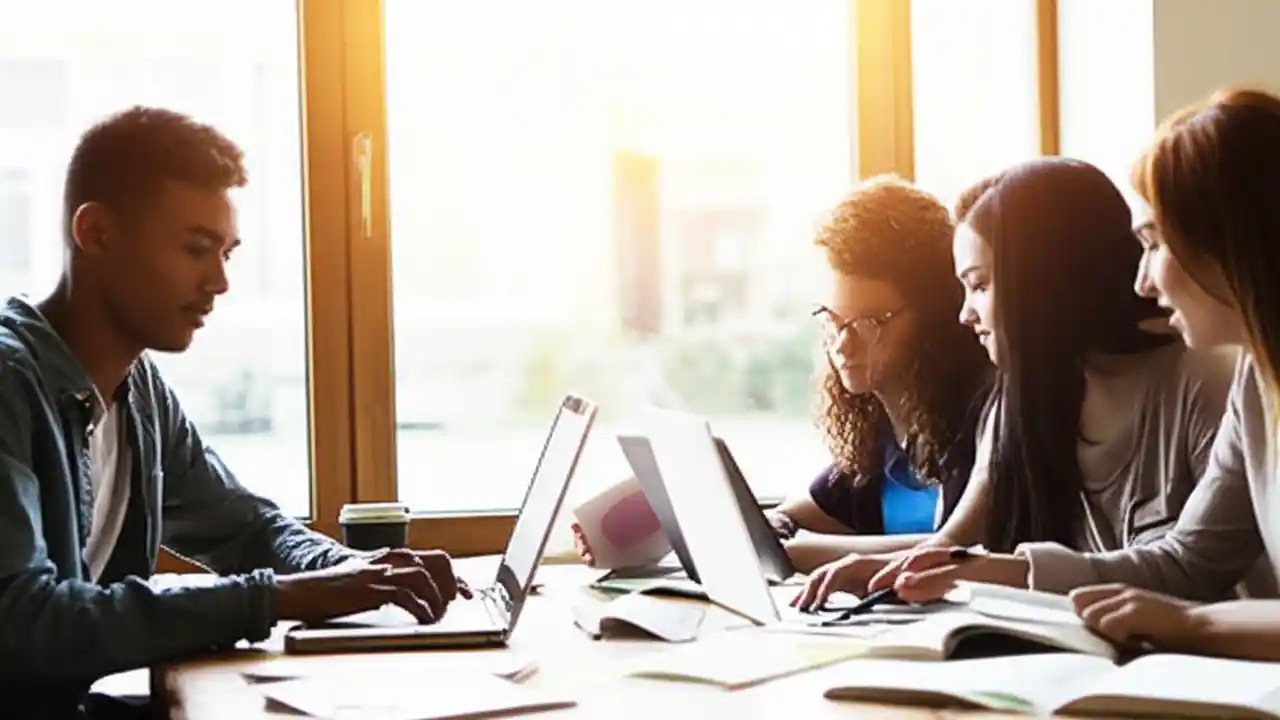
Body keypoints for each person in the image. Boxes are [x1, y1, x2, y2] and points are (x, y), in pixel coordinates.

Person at [0, 107, 465, 717]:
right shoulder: (10, 384)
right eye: (196, 249)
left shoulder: (138, 391)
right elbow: (25, 625)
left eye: (227, 253)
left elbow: (245, 528)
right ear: (96, 234)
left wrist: (356, 571)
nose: (219, 282)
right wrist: (276, 598)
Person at [870, 88, 1280, 661]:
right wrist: (1010, 569)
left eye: (1155, 243)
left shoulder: (1209, 380)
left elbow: (1199, 586)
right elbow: (1190, 560)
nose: (1142, 282)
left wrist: (1197, 625)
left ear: (1229, 241)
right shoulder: (1256, 386)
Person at [795, 157, 1236, 610]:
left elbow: (1192, 570)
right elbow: (952, 544)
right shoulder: (1014, 405)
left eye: (980, 285)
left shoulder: (1207, 384)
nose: (965, 314)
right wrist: (885, 567)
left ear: (1044, 280)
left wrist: (999, 570)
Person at [574, 176, 992, 573]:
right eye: (834, 321)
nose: (843, 345)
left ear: (935, 316)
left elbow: (956, 550)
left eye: (868, 323)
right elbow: (801, 511)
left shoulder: (983, 421)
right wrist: (772, 528)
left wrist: (795, 553)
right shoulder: (881, 433)